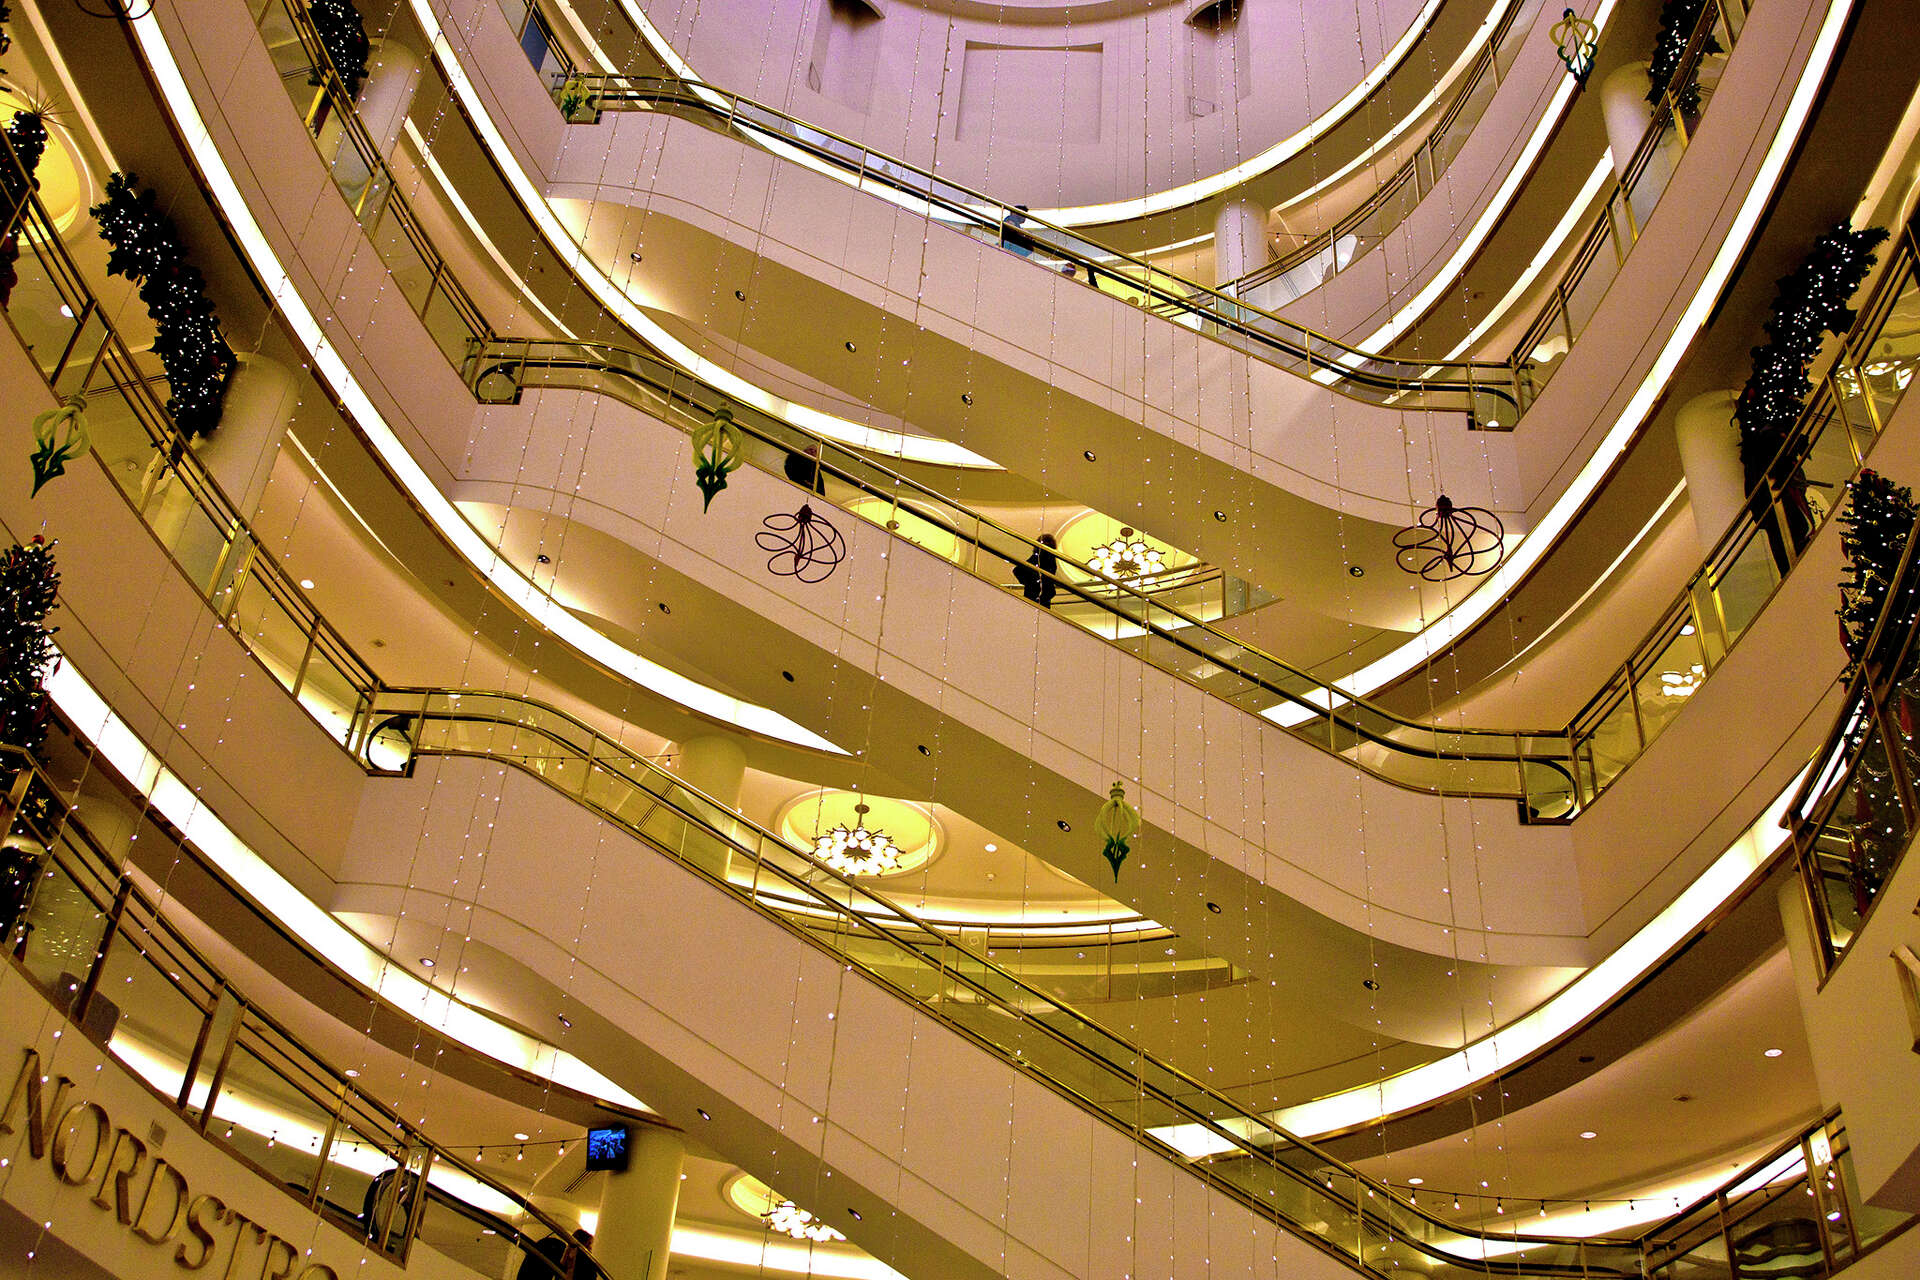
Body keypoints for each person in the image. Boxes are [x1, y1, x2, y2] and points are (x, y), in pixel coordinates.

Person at [1012, 533, 1058, 607]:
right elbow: (1018, 570)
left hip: (1034, 592)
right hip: (1042, 592)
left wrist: (1028, 582)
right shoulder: (1049, 556)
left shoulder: (1037, 556)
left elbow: (1017, 570)